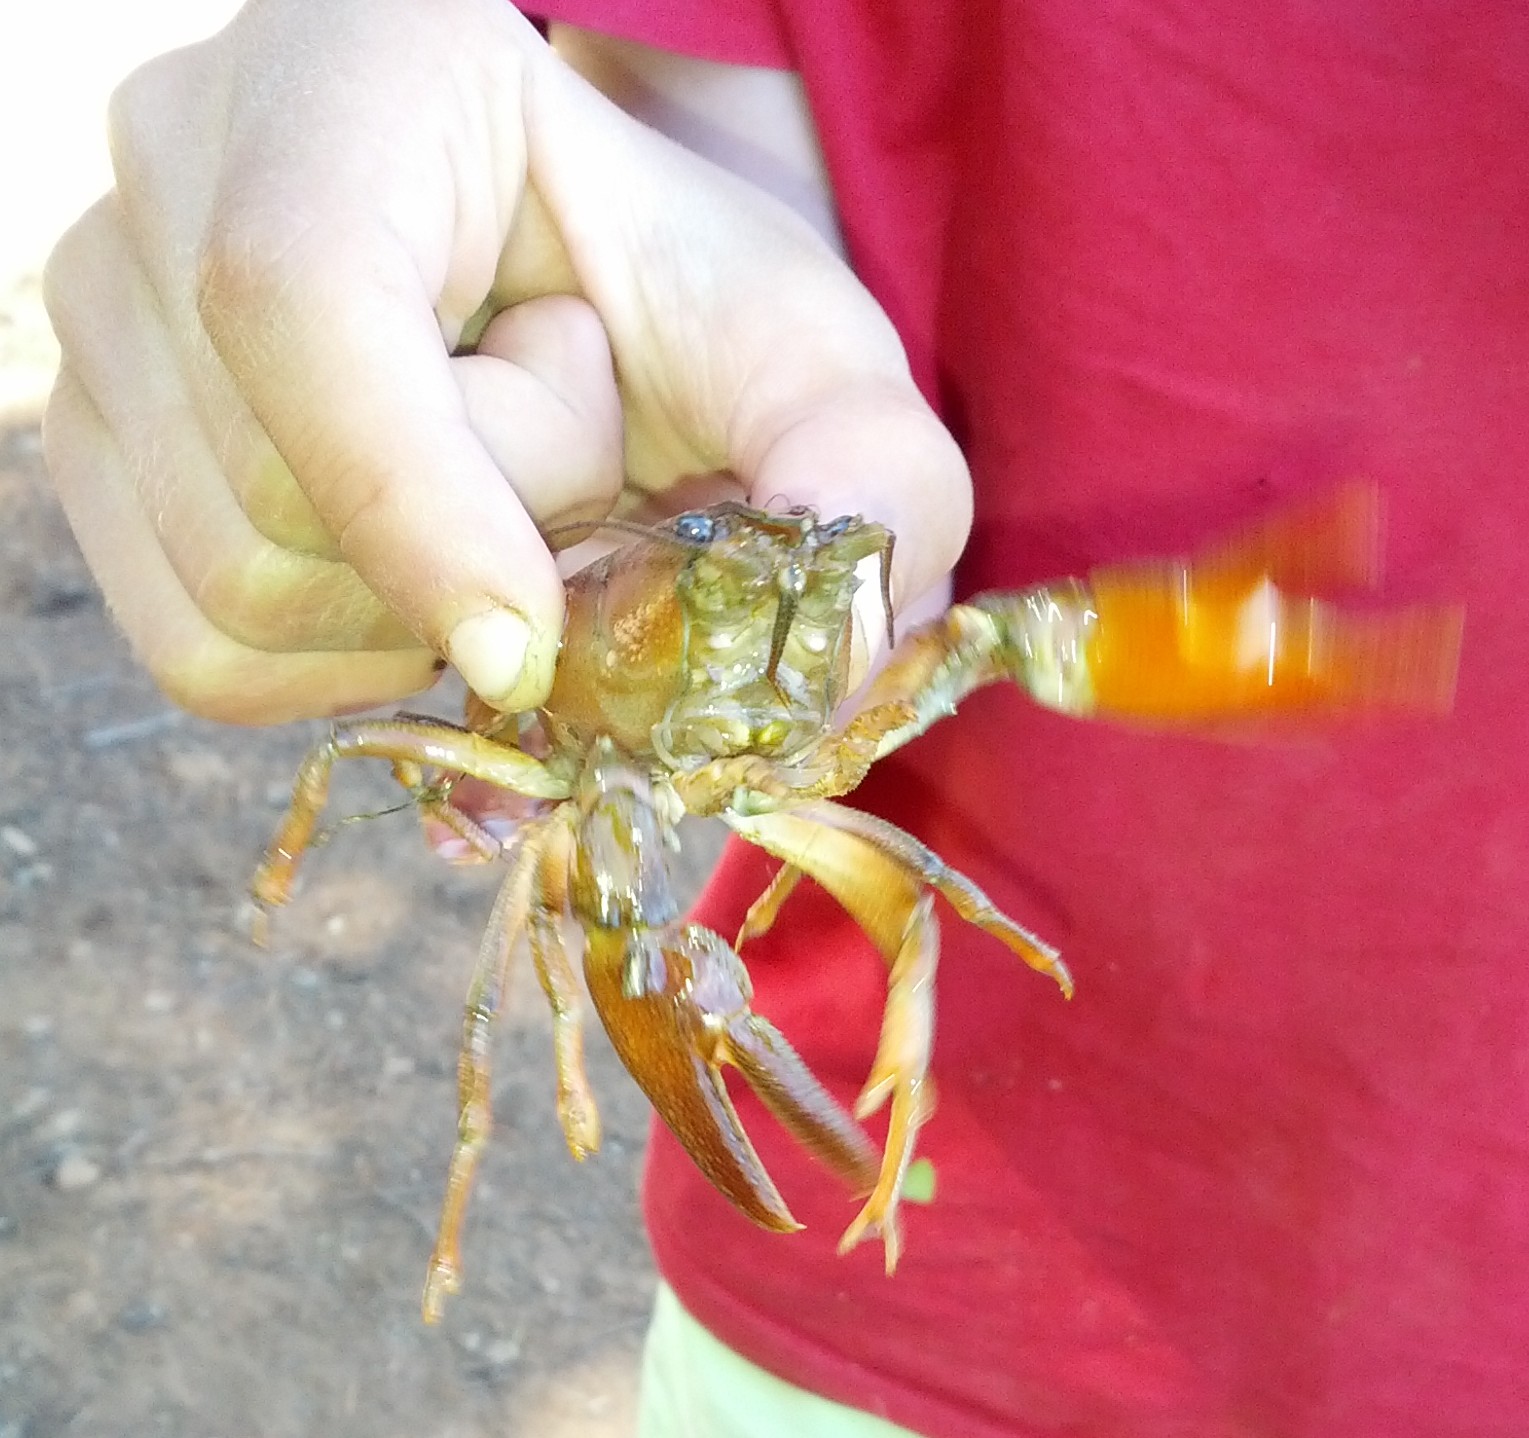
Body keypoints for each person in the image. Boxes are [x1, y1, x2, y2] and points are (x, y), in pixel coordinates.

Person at [42, 2, 1529, 1434]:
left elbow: (976, 663)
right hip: (881, 1347)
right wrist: (604, 246)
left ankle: (872, 1156)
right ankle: (843, 1172)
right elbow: (684, 177)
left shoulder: (825, 632)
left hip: (1406, 1289)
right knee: (533, 968)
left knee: (923, 890)